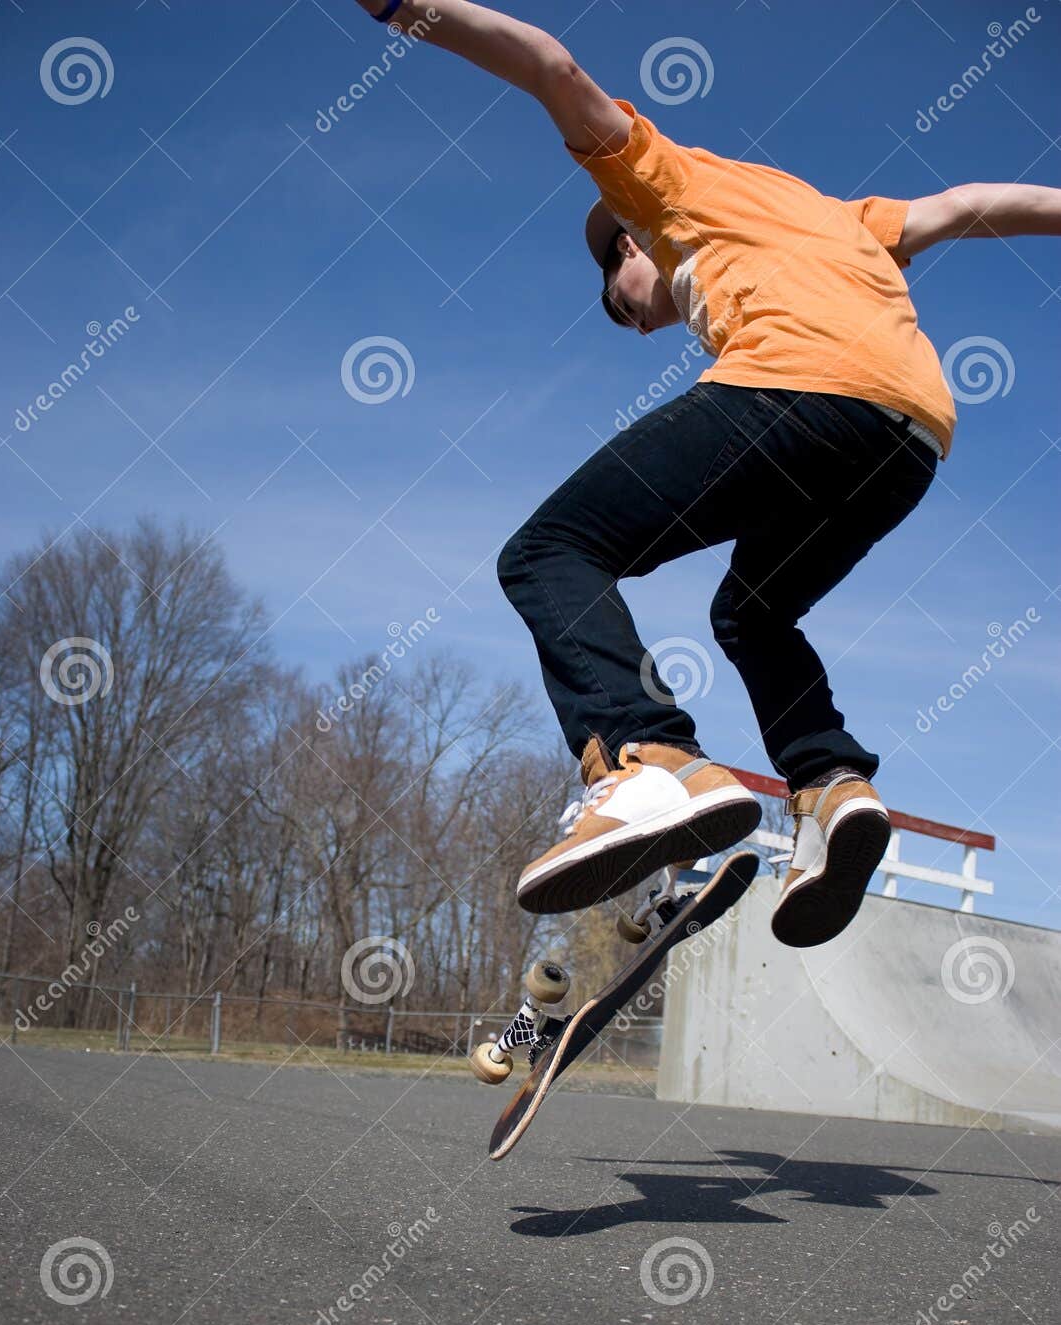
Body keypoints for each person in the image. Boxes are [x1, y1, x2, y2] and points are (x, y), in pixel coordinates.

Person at [353, 0, 1060, 943]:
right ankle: (829, 785)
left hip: (794, 391)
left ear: (629, 244)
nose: (633, 321)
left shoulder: (660, 187)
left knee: (550, 551)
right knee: (752, 612)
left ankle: (648, 763)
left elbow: (550, 67)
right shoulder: (837, 216)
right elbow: (965, 205)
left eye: (619, 298)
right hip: (908, 439)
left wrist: (410, 11)